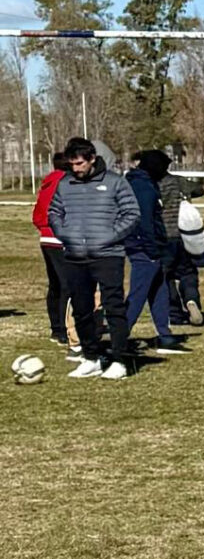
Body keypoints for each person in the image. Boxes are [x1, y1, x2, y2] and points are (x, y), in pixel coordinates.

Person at [47, 137, 138, 381]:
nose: (75, 169)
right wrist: (64, 233)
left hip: (108, 256)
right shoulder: (65, 184)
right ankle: (91, 357)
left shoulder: (115, 182)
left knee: (113, 307)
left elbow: (132, 213)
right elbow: (54, 212)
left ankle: (119, 360)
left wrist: (110, 236)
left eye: (79, 164)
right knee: (82, 310)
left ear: (92, 160)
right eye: (72, 165)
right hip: (75, 256)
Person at [123, 153, 188, 357]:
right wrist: (151, 248)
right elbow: (144, 222)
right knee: (138, 294)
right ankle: (120, 336)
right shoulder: (143, 188)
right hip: (145, 247)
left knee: (159, 290)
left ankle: (165, 334)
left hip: (154, 248)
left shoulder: (144, 183)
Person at [145, 150, 204, 325]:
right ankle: (191, 299)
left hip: (164, 237)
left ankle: (174, 313)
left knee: (166, 276)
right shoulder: (179, 181)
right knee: (188, 272)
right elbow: (200, 190)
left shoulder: (151, 185)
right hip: (186, 235)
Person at [32, 151, 71, 349]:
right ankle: (65, 330)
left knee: (55, 285)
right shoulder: (66, 183)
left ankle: (56, 328)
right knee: (66, 285)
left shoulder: (47, 183)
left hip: (46, 239)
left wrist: (44, 228)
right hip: (59, 239)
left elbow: (37, 214)